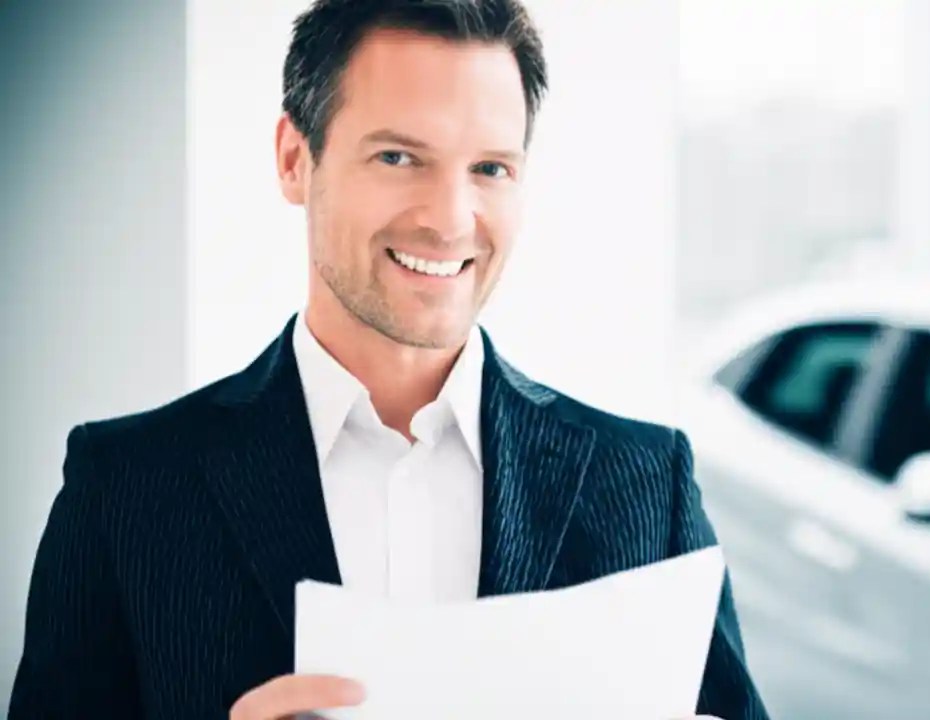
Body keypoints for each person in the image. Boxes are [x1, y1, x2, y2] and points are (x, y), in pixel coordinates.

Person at [7, 1, 768, 718]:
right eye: (400, 156)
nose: (449, 218)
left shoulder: (644, 483)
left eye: (491, 168)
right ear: (294, 159)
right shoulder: (129, 488)